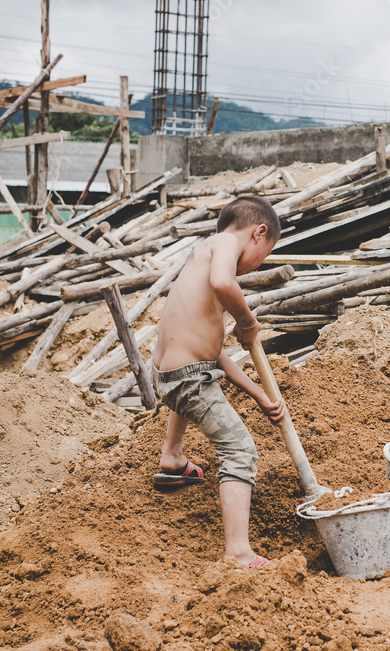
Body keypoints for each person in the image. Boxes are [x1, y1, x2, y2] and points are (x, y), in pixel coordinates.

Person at [150, 195, 286, 567]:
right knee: (240, 450)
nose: (258, 265)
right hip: (186, 377)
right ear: (259, 233)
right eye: (266, 254)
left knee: (196, 380)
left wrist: (259, 394)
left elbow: (215, 358)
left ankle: (172, 458)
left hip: (169, 372)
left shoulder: (202, 259)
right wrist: (247, 321)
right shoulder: (224, 244)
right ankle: (239, 552)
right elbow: (225, 281)